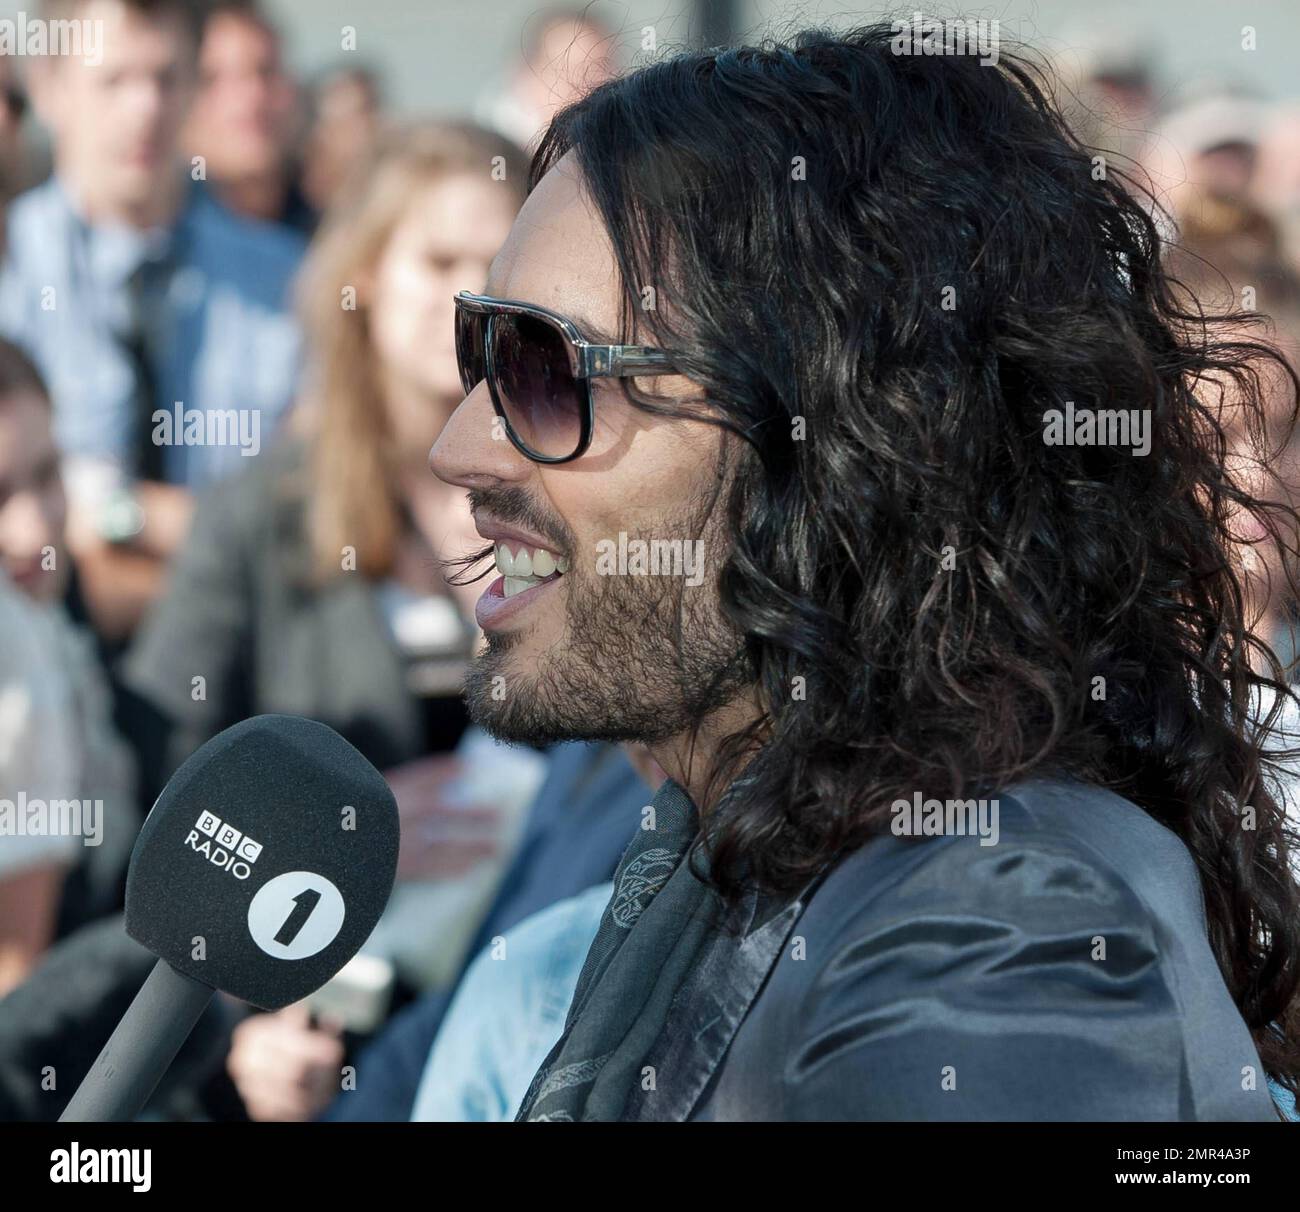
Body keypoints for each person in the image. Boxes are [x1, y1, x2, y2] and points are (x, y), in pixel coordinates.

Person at [429, 23, 1300, 1120]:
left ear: (842, 432)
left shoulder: (988, 934)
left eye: (544, 367)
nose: (459, 446)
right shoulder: (755, 842)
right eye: (484, 351)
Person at [0, 0, 305, 640]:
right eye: (113, 80)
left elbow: (304, 518)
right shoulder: (12, 273)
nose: (146, 108)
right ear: (50, 88)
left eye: (166, 78)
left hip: (249, 670)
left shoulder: (283, 281)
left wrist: (116, 513)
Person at [0, 339, 138, 991]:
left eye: (46, 475)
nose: (31, 530)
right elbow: (13, 973)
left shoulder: (54, 604)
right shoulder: (13, 639)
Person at [184, 0, 317, 235]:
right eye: (212, 79)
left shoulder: (336, 237)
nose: (252, 97)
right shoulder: (153, 246)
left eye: (266, 71)